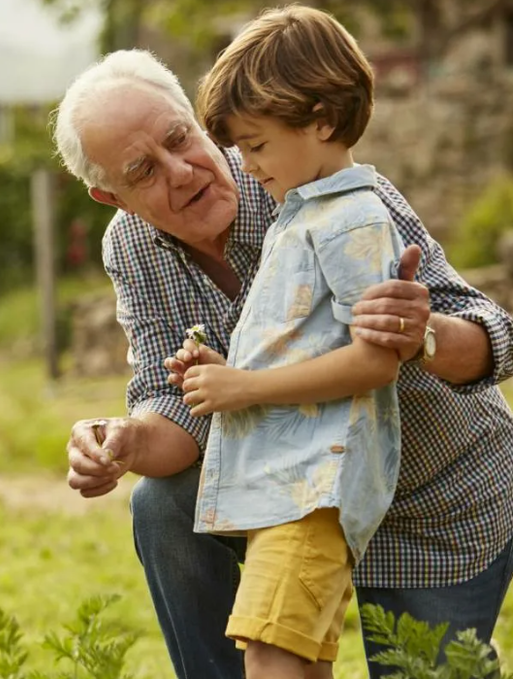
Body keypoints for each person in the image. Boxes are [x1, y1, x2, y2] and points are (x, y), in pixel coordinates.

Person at [52, 43, 513, 679]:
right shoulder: (133, 246)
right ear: (110, 197)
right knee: (162, 503)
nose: (182, 171)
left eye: (181, 138)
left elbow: (499, 339)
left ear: (198, 120)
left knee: (425, 670)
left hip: (429, 495)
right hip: (293, 494)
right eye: (143, 170)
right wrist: (125, 441)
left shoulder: (323, 187)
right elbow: (177, 404)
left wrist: (424, 329)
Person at [163, 7, 404, 677]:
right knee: (291, 656)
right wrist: (223, 371)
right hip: (287, 483)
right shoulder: (302, 211)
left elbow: (376, 359)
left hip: (315, 486)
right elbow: (305, 343)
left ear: (322, 120)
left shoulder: (352, 218)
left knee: (270, 654)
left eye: (258, 144)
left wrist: (245, 387)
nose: (246, 164)